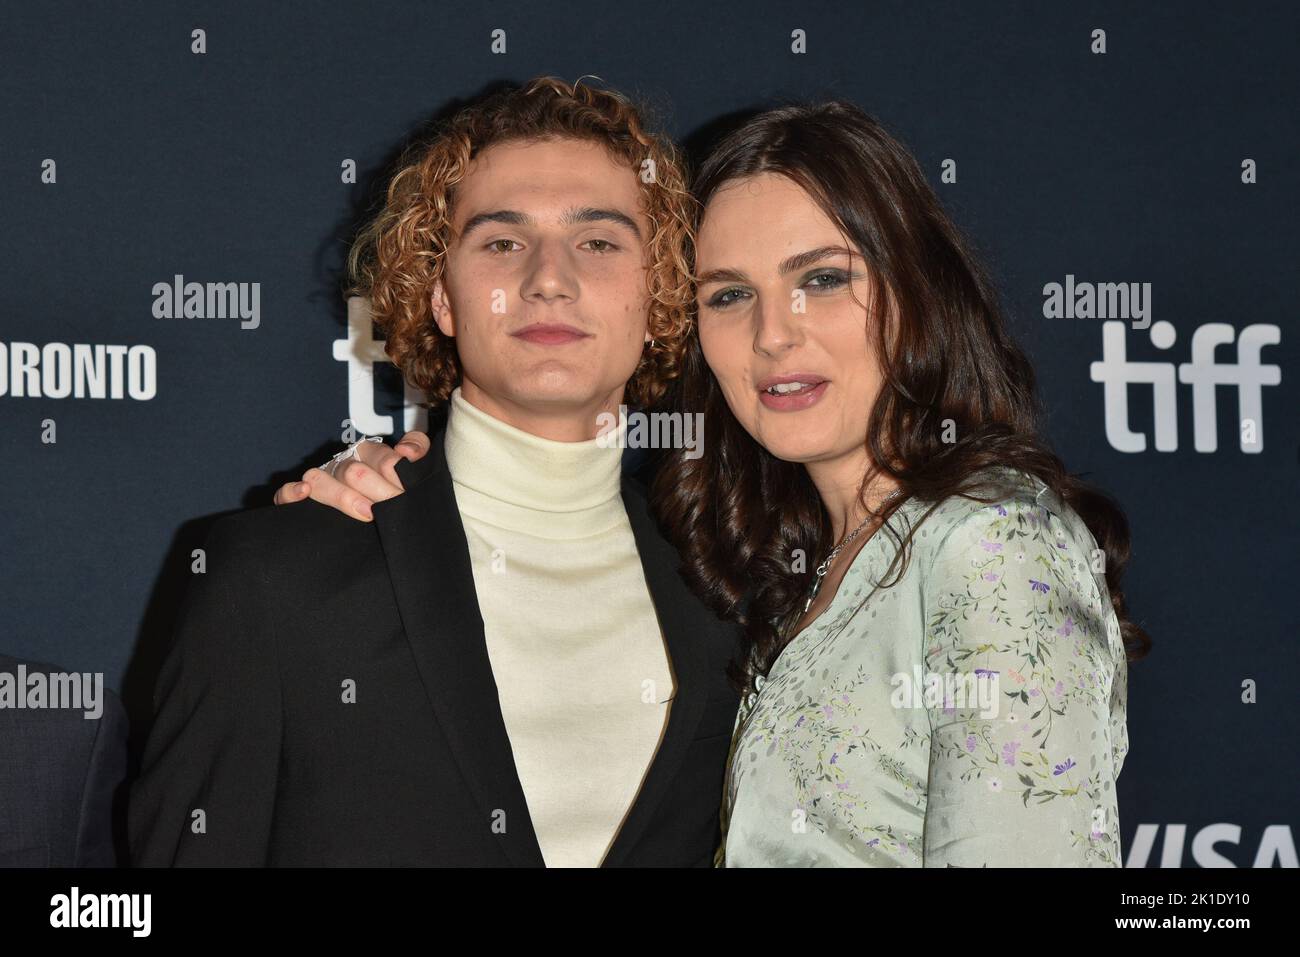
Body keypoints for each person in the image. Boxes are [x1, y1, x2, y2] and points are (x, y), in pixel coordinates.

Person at [279, 100, 1148, 867]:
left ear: (915, 290)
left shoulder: (989, 545)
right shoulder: (766, 573)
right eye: (729, 296)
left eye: (821, 279)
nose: (775, 333)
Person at [129, 77, 741, 867]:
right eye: (501, 241)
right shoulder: (270, 581)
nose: (549, 277)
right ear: (442, 298)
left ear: (655, 289)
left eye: (598, 240)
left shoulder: (728, 594)